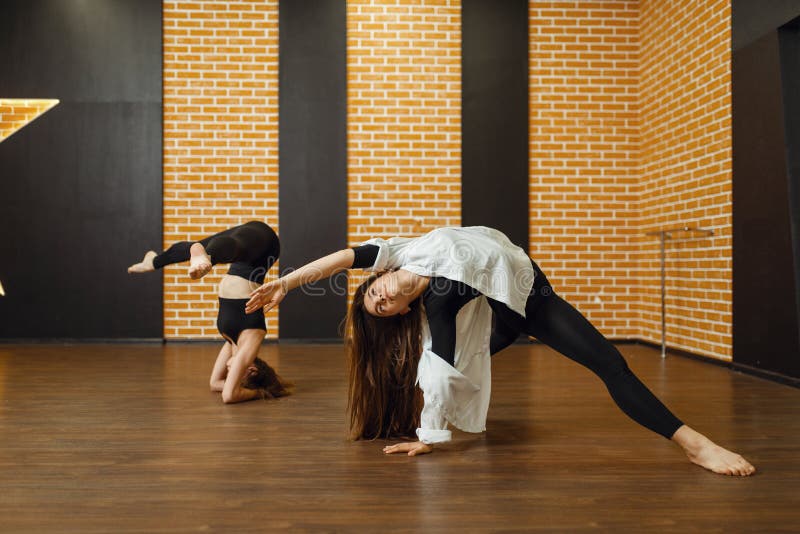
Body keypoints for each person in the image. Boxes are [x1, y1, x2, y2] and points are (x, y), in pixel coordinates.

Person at [246, 226, 755, 476]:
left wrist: (286, 283)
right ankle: (697, 445)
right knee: (453, 370)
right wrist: (430, 436)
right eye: (381, 308)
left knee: (611, 365)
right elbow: (439, 369)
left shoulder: (398, 250)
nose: (380, 299)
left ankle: (690, 442)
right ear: (400, 313)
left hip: (530, 292)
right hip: (516, 312)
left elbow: (340, 259)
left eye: (374, 294)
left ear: (378, 278)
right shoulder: (437, 308)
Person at [128, 221, 291, 403]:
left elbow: (215, 384)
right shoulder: (251, 340)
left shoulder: (233, 342)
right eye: (238, 377)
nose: (230, 373)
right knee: (230, 247)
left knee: (205, 247)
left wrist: (240, 386)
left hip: (243, 258)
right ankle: (205, 257)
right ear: (252, 370)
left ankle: (154, 261)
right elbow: (229, 395)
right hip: (266, 246)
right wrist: (260, 392)